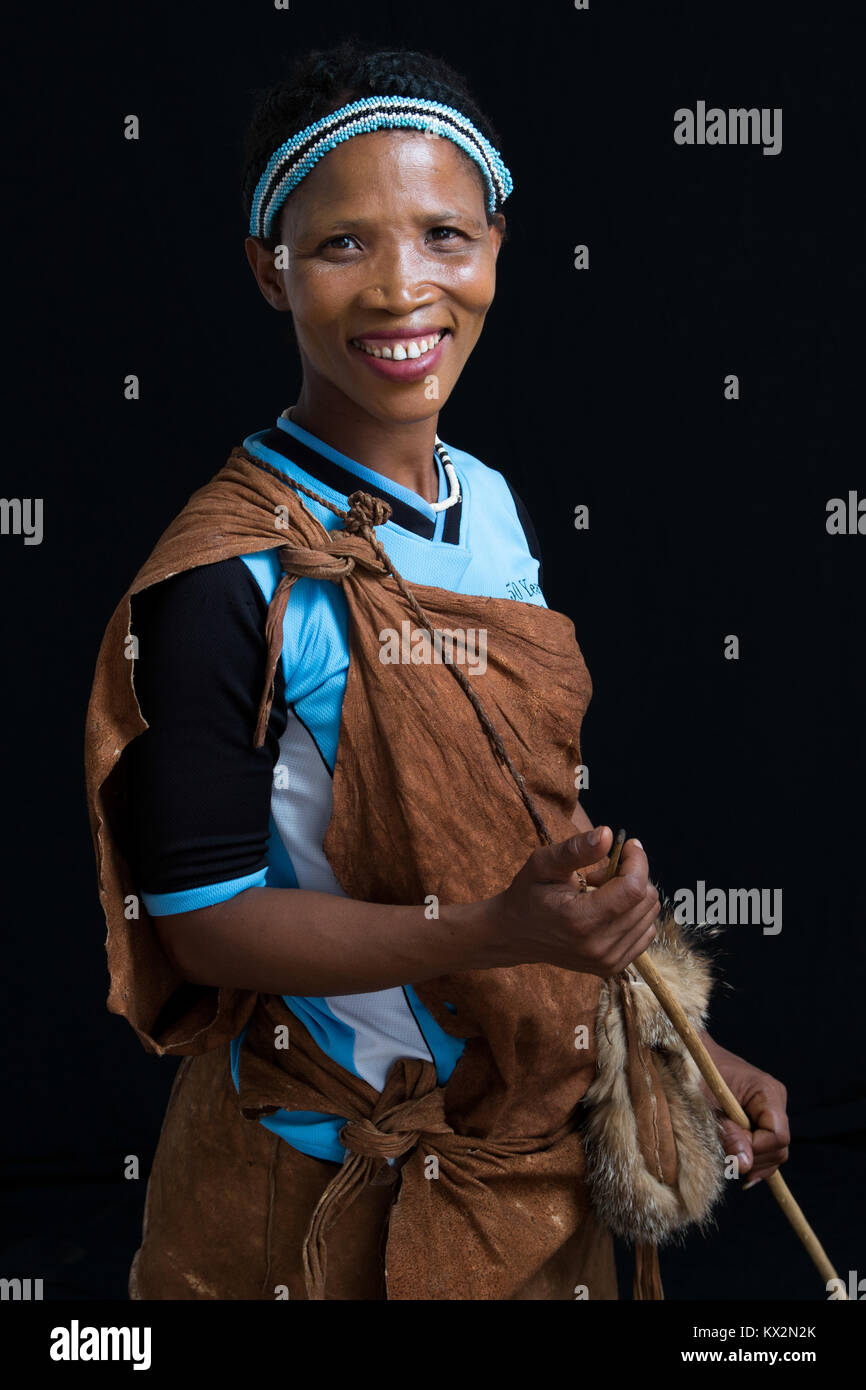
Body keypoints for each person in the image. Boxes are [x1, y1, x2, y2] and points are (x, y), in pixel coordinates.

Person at [85, 41, 790, 1301]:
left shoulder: (494, 505)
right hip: (323, 1190)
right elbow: (193, 927)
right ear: (270, 269)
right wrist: (497, 930)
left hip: (534, 1160)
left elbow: (521, 820)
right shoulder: (226, 578)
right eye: (342, 244)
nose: (403, 290)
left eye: (444, 236)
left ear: (498, 248)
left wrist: (681, 1049)